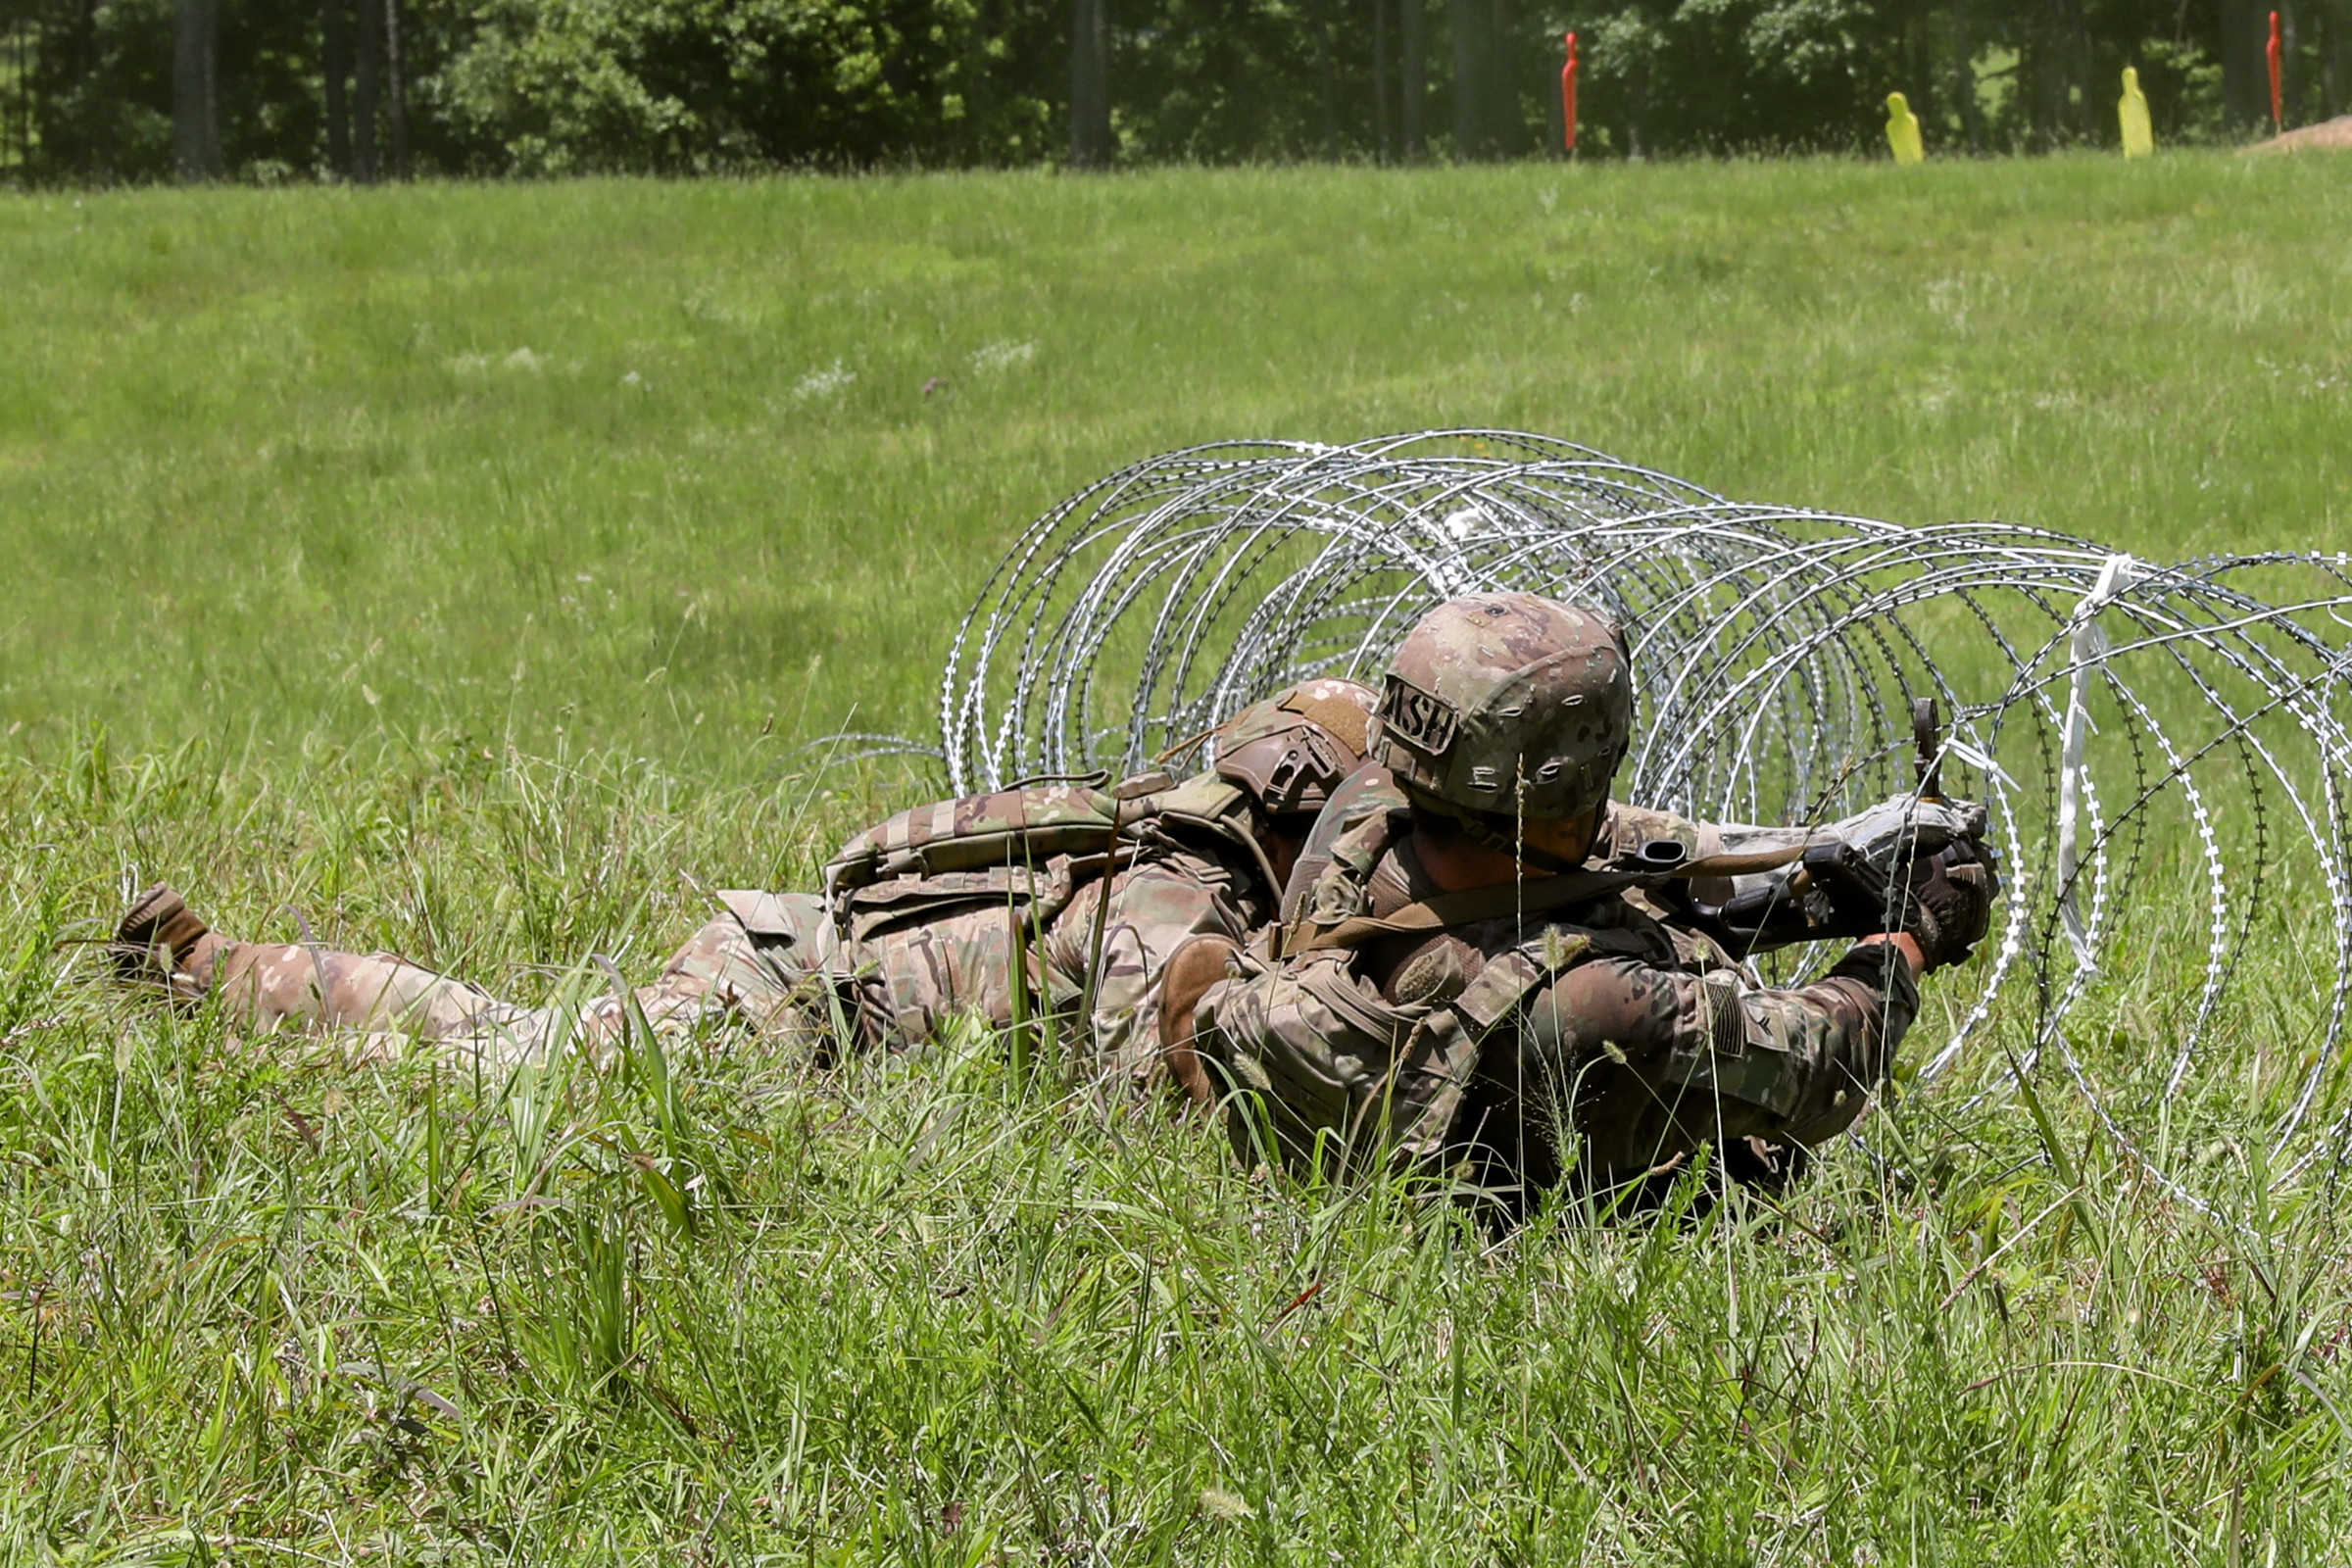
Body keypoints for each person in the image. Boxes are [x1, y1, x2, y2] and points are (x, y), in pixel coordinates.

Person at [110, 680, 1381, 1094]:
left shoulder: (1148, 828)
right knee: (501, 1071)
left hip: (783, 953)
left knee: (504, 1047)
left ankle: (213, 971)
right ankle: (209, 982)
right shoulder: (1178, 915)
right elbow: (1154, 1121)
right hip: (774, 1007)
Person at [1177, 593, 1996, 1208]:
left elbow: (1620, 847)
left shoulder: (1365, 813)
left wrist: (1819, 856)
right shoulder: (1583, 1006)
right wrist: (1908, 938)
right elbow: (1821, 1063)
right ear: (1561, 786)